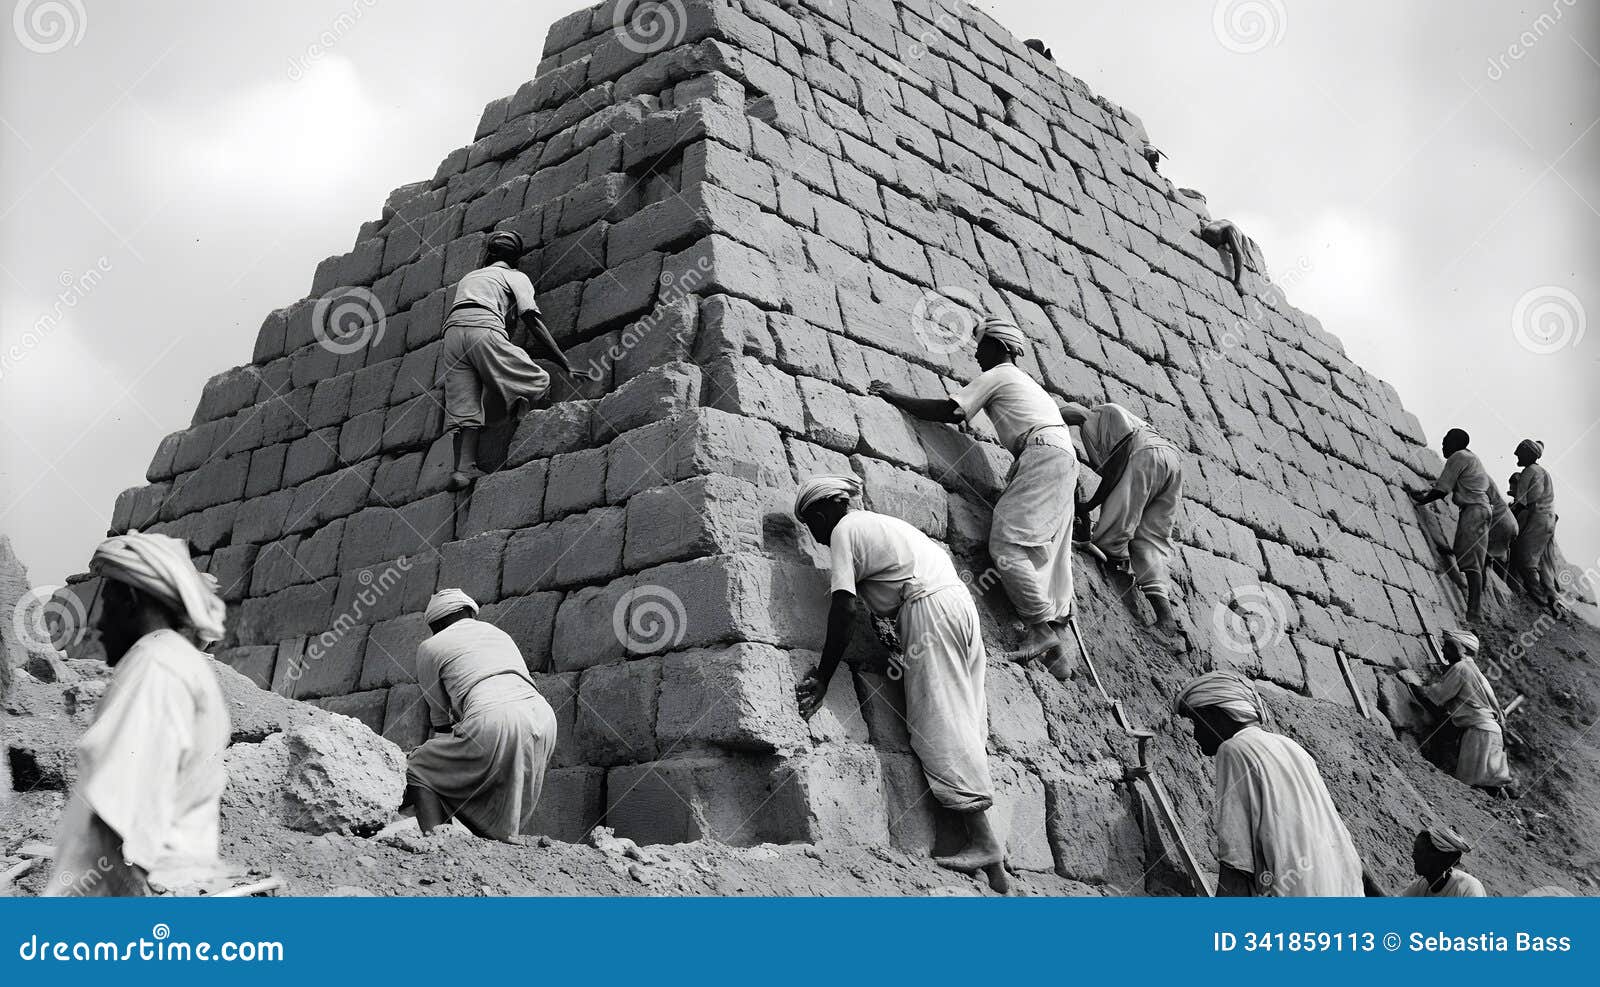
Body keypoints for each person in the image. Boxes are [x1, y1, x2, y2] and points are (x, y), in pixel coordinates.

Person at [791, 475, 1007, 892]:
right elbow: (884, 598)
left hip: (930, 611)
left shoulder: (843, 530)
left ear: (821, 514)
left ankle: (984, 842)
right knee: (966, 715)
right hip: (957, 605)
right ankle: (995, 860)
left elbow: (844, 609)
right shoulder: (883, 526)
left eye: (810, 527)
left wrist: (823, 677)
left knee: (938, 722)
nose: (815, 538)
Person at [869, 316, 1078, 664]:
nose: (977, 355)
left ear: (1002, 347)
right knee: (1044, 552)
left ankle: (1041, 631)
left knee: (1007, 543)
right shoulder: (1029, 385)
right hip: (1061, 458)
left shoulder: (1000, 375)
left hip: (1042, 454)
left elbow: (952, 411)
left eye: (982, 346)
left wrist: (894, 396)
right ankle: (1059, 658)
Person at [45, 532, 231, 896]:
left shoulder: (156, 666)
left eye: (107, 605)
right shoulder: (178, 662)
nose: (98, 625)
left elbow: (117, 827)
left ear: (131, 601)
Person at [1173, 670, 1364, 896]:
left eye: (1196, 722)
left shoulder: (1234, 750)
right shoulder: (1292, 747)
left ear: (1214, 715)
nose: (1195, 735)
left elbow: (1236, 860)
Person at [405, 589, 558, 840]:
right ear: (470, 613)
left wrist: (433, 759)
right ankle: (490, 853)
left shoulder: (431, 646)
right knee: (499, 790)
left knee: (418, 769)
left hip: (493, 716)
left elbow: (441, 722)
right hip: (543, 717)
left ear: (435, 625)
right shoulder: (499, 634)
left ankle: (438, 845)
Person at [438, 229, 572, 490]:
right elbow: (530, 318)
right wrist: (564, 361)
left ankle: (463, 469)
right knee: (538, 379)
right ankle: (524, 419)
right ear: (516, 259)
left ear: (488, 254)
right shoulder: (514, 276)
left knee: (465, 405)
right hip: (483, 325)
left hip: (452, 333)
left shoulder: (471, 277)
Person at [1060, 400, 1185, 647]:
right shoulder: (1094, 429)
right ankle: (1166, 619)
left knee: (1113, 529)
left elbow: (1116, 467)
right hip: (1172, 463)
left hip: (1148, 456)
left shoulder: (1105, 413)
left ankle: (1109, 562)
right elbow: (1112, 469)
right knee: (1150, 541)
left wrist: (1091, 504)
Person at [1400, 629, 1513, 793]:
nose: (1443, 651)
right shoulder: (1474, 671)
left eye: (1448, 646)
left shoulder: (1461, 668)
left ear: (1463, 649)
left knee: (1466, 790)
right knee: (1487, 788)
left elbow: (1436, 697)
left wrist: (1411, 683)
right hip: (1492, 733)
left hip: (1480, 734)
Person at [1409, 428, 1501, 620]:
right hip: (1479, 509)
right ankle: (1474, 606)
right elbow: (1442, 484)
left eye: (1446, 442)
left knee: (1471, 562)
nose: (1443, 446)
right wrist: (1426, 492)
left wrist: (1419, 502)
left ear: (1456, 443)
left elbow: (1442, 490)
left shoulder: (1458, 457)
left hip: (1475, 510)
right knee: (1469, 556)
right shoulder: (1469, 458)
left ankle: (1474, 610)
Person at [1510, 439, 1559, 612]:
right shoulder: (1543, 471)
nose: (1516, 454)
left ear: (1528, 454)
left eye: (1519, 452)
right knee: (1544, 562)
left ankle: (1541, 601)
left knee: (1525, 560)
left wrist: (1508, 516)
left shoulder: (1529, 471)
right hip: (1549, 519)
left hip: (1538, 518)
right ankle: (1554, 600)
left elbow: (1523, 502)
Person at [1400, 828, 1486, 897]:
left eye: (1420, 852)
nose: (1413, 856)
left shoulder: (1468, 888)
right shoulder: (1420, 886)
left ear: (1444, 859)